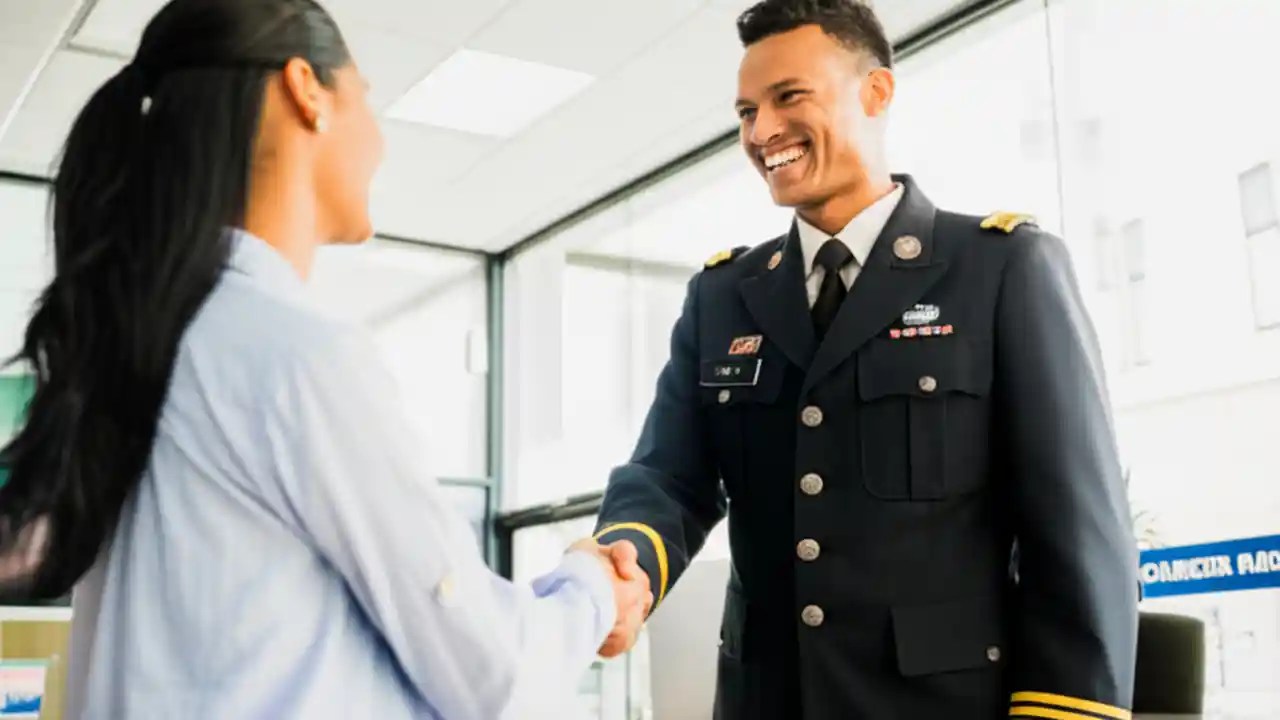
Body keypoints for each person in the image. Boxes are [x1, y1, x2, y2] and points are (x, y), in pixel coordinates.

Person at [0, 0, 649, 717]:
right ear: (306, 88)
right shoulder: (292, 356)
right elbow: (492, 674)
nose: (379, 141)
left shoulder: (155, 346)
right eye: (367, 96)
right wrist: (590, 588)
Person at [590, 1, 1140, 718]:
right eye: (746, 111)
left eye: (789, 97)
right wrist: (625, 564)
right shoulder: (722, 297)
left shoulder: (999, 268)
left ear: (876, 93)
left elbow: (1076, 524)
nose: (762, 132)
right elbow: (669, 476)